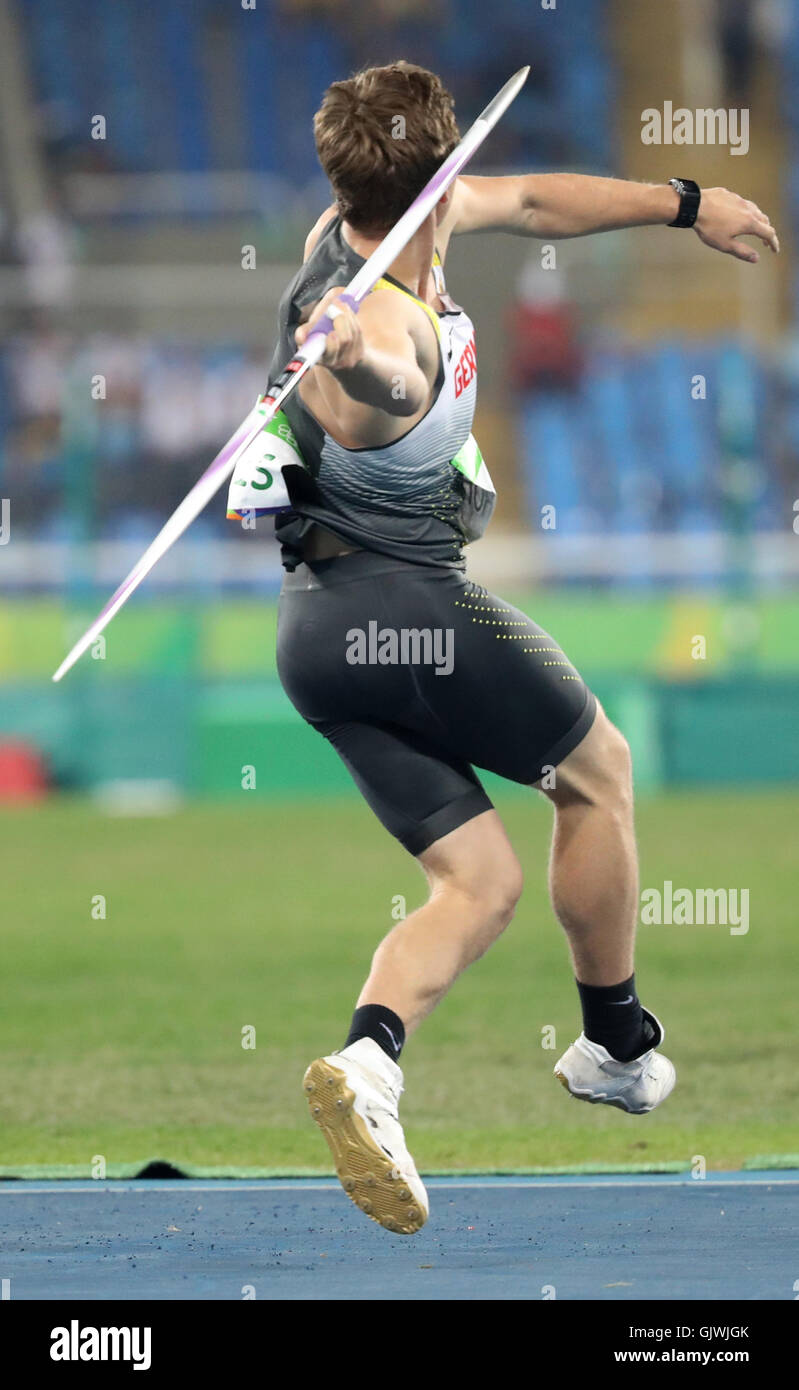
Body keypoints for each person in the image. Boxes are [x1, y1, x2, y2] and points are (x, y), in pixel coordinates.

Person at [268, 61, 778, 1235]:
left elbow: (537, 199)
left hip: (315, 638)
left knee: (479, 881)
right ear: (437, 168)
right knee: (596, 771)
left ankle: (366, 1064)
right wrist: (346, 355)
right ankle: (615, 1043)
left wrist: (688, 203)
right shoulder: (375, 318)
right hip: (404, 611)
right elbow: (381, 386)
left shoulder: (383, 228)